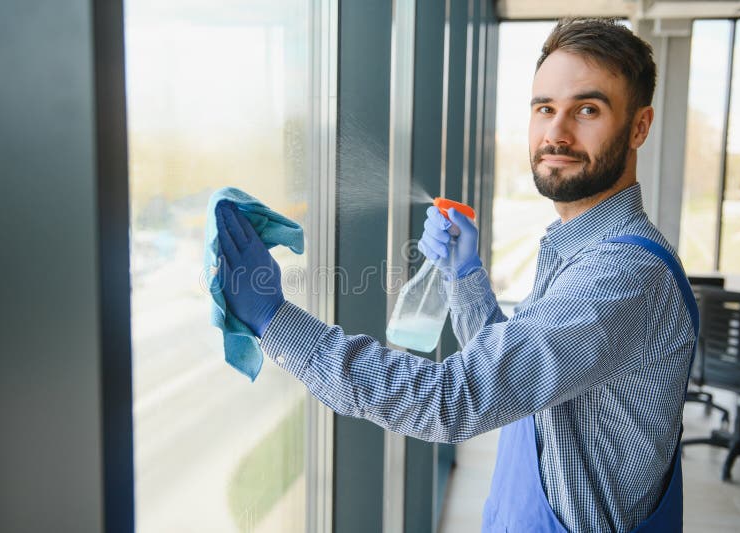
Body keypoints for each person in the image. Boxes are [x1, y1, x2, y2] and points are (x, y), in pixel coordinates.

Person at [214, 18, 697, 533]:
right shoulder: (585, 251)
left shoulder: (622, 275)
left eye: (587, 109)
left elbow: (454, 399)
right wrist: (463, 275)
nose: (556, 133)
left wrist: (275, 320)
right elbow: (517, 384)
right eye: (544, 109)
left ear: (639, 126)